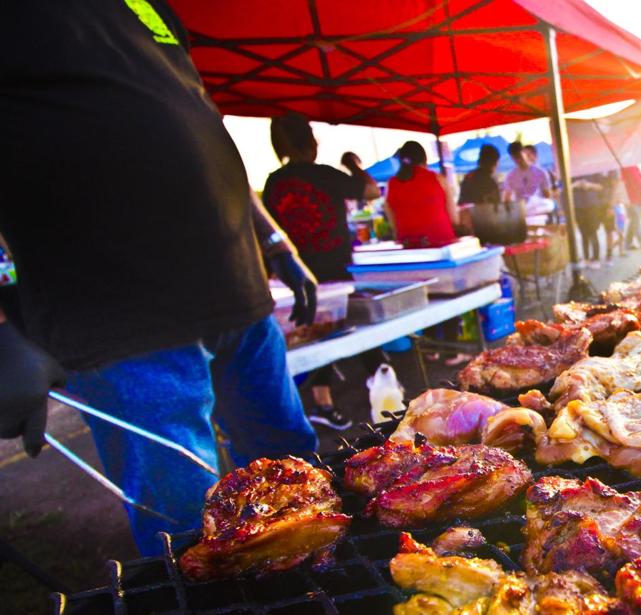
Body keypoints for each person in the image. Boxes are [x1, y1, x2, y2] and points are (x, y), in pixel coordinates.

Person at [0, 0, 318, 556]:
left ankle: (317, 609)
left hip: (235, 287)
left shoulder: (147, 6)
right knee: (189, 523)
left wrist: (271, 237)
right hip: (119, 312)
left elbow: (200, 117)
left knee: (298, 468)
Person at [263, 114, 381, 430]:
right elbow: (372, 191)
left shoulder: (274, 183)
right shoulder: (323, 174)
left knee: (317, 336)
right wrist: (354, 164)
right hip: (333, 270)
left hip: (297, 278)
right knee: (355, 329)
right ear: (310, 142)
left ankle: (327, 402)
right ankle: (381, 383)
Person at [384, 141, 457, 247]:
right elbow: (454, 219)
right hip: (442, 245)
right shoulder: (438, 179)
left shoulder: (391, 184)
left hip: (409, 248)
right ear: (424, 160)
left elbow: (394, 225)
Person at [572, 173, 611, 270]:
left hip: (593, 206)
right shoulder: (573, 171)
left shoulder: (592, 170)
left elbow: (601, 186)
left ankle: (596, 258)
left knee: (593, 232)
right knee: (583, 233)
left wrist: (589, 185)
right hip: (578, 206)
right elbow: (564, 188)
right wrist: (575, 184)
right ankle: (586, 258)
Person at [621, 165, 641, 251]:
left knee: (633, 221)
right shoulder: (624, 167)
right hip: (631, 199)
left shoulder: (635, 167)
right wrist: (625, 200)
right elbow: (622, 183)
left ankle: (627, 243)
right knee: (635, 220)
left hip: (639, 198)